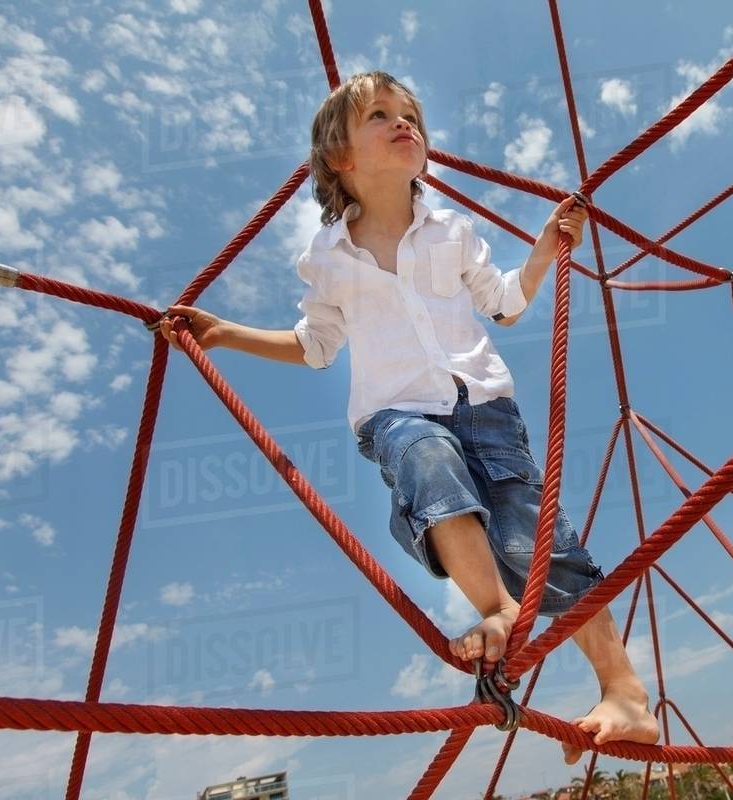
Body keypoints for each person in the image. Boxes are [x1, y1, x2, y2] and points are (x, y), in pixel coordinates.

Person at [157, 70, 658, 764]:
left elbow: (504, 303)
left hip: (486, 408)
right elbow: (315, 346)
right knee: (427, 463)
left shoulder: (451, 230)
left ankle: (626, 694)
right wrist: (225, 333)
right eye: (381, 116)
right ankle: (496, 612)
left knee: (534, 546)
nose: (404, 124)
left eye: (410, 116)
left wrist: (542, 253)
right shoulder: (326, 258)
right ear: (340, 159)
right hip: (396, 411)